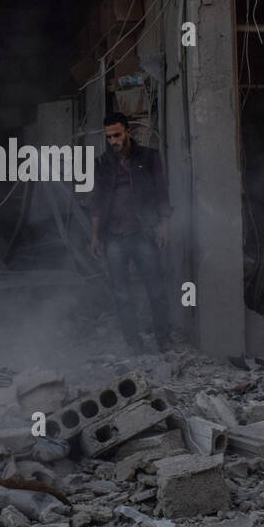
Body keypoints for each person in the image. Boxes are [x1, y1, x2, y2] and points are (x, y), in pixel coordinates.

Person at [88, 112, 174, 353]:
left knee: (155, 288)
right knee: (121, 293)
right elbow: (96, 201)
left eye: (117, 135)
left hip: (143, 233)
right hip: (114, 237)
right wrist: (95, 236)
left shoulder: (148, 157)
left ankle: (164, 339)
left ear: (128, 132)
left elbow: (162, 193)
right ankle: (133, 343)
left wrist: (164, 227)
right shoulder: (102, 163)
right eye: (109, 137)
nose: (113, 141)